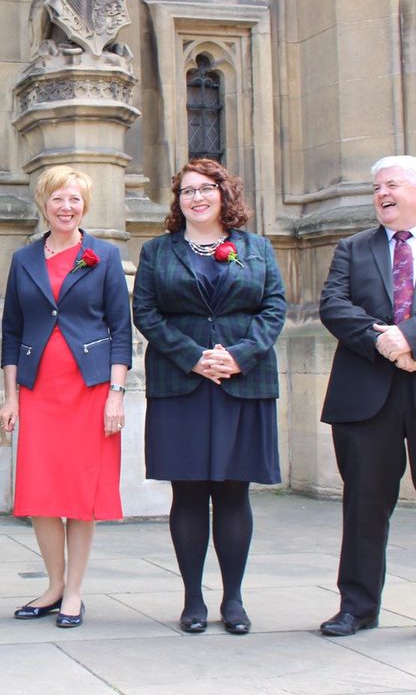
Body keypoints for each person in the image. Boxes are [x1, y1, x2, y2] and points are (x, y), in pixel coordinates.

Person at [318, 155, 416, 647]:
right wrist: (383, 342)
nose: (381, 194)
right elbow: (333, 305)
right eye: (376, 187)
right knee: (364, 504)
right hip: (368, 396)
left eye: (391, 185)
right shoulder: (353, 248)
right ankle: (357, 607)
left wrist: (409, 339)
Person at [131, 158, 286, 635]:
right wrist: (192, 356)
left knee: (234, 489)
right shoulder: (159, 251)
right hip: (182, 382)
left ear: (224, 195)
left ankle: (234, 599)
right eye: (186, 191)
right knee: (190, 490)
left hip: (244, 380)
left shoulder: (255, 248)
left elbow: (274, 306)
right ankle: (193, 598)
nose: (196, 197)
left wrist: (239, 355)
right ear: (178, 202)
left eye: (206, 189)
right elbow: (147, 311)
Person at [0, 166, 131, 628]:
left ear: (84, 205)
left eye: (74, 199)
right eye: (58, 199)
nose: (66, 207)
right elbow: (11, 331)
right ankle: (52, 586)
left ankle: (74, 592)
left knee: (79, 493)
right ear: (44, 203)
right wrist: (10, 397)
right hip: (38, 391)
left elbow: (120, 330)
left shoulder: (105, 256)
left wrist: (116, 394)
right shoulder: (24, 259)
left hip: (89, 390)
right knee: (41, 492)